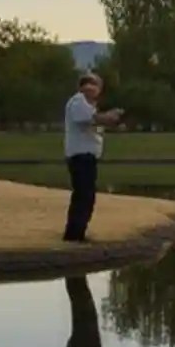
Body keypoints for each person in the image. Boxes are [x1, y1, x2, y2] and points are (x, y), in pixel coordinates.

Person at [63, 73, 122, 242]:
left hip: (87, 157)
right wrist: (110, 116)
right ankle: (74, 234)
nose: (96, 91)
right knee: (84, 195)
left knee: (85, 195)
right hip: (81, 157)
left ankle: (77, 232)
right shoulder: (78, 102)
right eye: (94, 86)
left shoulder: (86, 105)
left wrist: (111, 118)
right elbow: (90, 119)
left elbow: (96, 122)